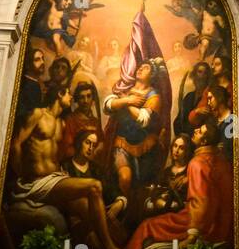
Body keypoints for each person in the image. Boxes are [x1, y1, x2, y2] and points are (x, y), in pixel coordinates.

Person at [10, 83, 129, 249]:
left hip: (52, 178)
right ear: (59, 93)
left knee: (84, 206)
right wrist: (20, 173)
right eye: (69, 95)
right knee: (94, 187)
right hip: (36, 182)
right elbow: (16, 143)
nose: (72, 99)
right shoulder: (38, 114)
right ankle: (110, 248)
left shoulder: (61, 123)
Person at [126, 118, 233, 249]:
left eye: (199, 131)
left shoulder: (197, 163)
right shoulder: (221, 160)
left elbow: (199, 201)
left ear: (204, 142)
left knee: (146, 226)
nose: (195, 130)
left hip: (200, 224)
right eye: (175, 146)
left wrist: (192, 236)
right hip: (221, 226)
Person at [102, 60, 165, 196]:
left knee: (141, 187)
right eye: (140, 66)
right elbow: (107, 105)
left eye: (146, 68)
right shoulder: (125, 89)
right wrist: (128, 100)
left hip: (145, 148)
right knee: (125, 178)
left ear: (152, 74)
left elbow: (143, 119)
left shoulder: (153, 96)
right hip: (121, 143)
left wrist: (126, 103)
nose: (140, 69)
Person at [57, 80, 102, 163]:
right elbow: (67, 149)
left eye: (89, 96)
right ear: (77, 100)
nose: (86, 101)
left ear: (93, 99)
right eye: (82, 97)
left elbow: (101, 143)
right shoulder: (70, 119)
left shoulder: (95, 122)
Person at [173, 61, 211, 138]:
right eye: (199, 72)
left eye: (205, 73)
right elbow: (178, 121)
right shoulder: (189, 97)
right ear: (194, 75)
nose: (202, 76)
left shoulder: (210, 96)